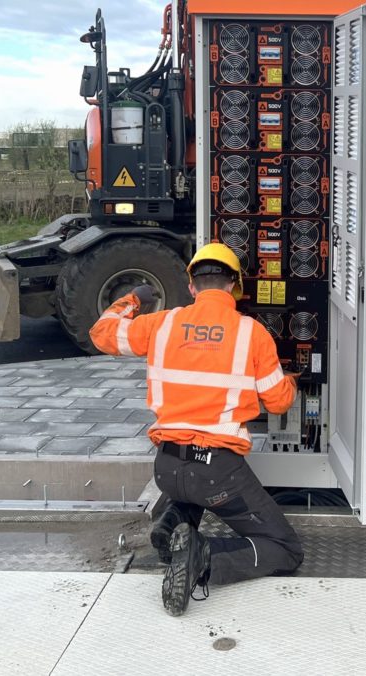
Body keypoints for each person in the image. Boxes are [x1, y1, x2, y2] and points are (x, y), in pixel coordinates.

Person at [90, 243, 303, 616]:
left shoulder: (163, 324)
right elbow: (279, 402)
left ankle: (170, 526)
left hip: (167, 471)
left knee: (191, 484)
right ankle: (202, 557)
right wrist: (290, 380)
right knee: (285, 549)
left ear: (191, 286)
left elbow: (102, 332)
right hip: (217, 475)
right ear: (235, 286)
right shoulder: (251, 334)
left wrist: (133, 299)